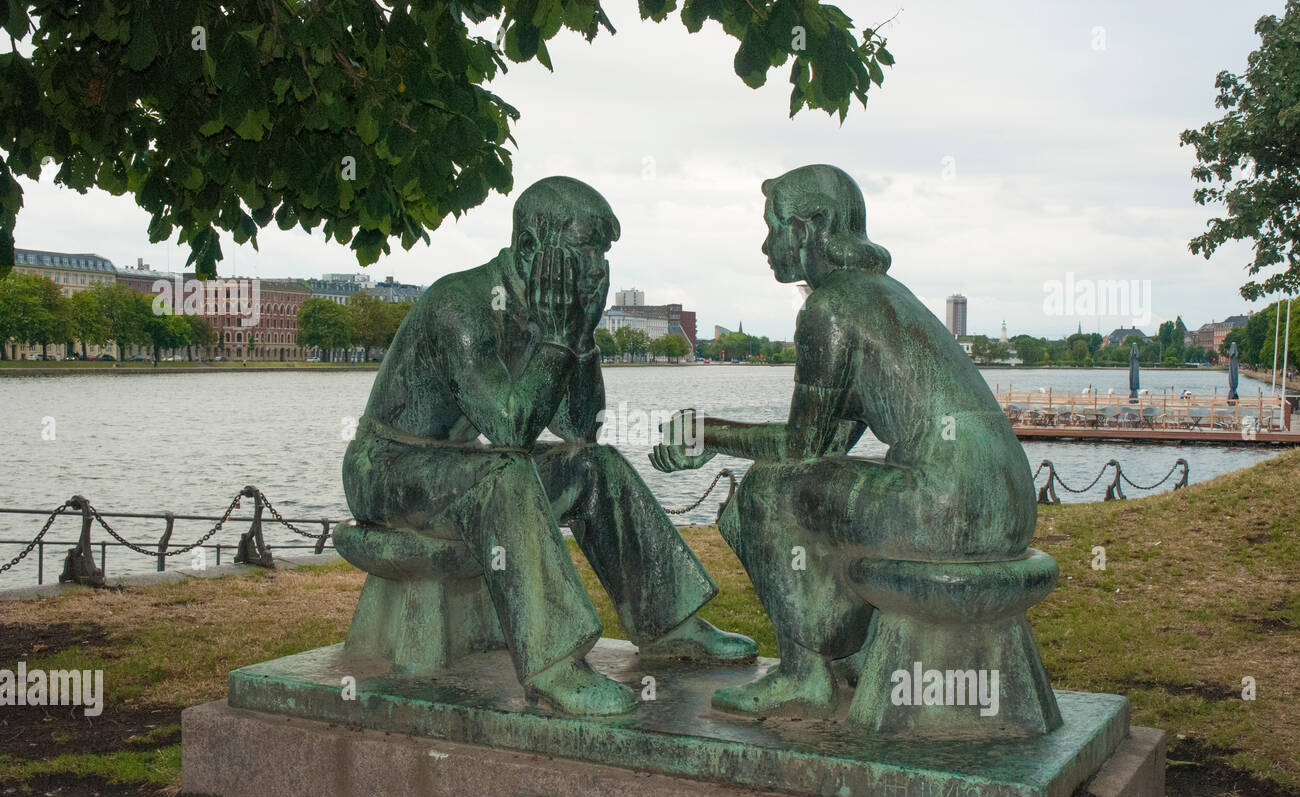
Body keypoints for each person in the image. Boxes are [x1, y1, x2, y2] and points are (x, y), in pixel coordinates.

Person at [343, 176, 754, 717]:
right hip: (388, 468)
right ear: (532, 248)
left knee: (594, 467)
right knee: (506, 475)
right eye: (584, 249)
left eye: (601, 253)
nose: (596, 266)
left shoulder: (543, 308)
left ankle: (669, 623)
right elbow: (511, 433)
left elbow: (583, 429)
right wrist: (558, 337)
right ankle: (553, 664)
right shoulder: (460, 306)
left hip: (461, 465)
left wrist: (580, 337)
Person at [653, 165, 1036, 716]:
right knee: (793, 494)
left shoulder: (828, 308)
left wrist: (709, 432)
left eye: (773, 227)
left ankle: (803, 671)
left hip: (946, 506)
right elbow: (828, 440)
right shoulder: (882, 295)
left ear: (813, 226)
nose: (766, 245)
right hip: (1006, 507)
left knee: (765, 493)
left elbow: (802, 449)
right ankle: (845, 649)